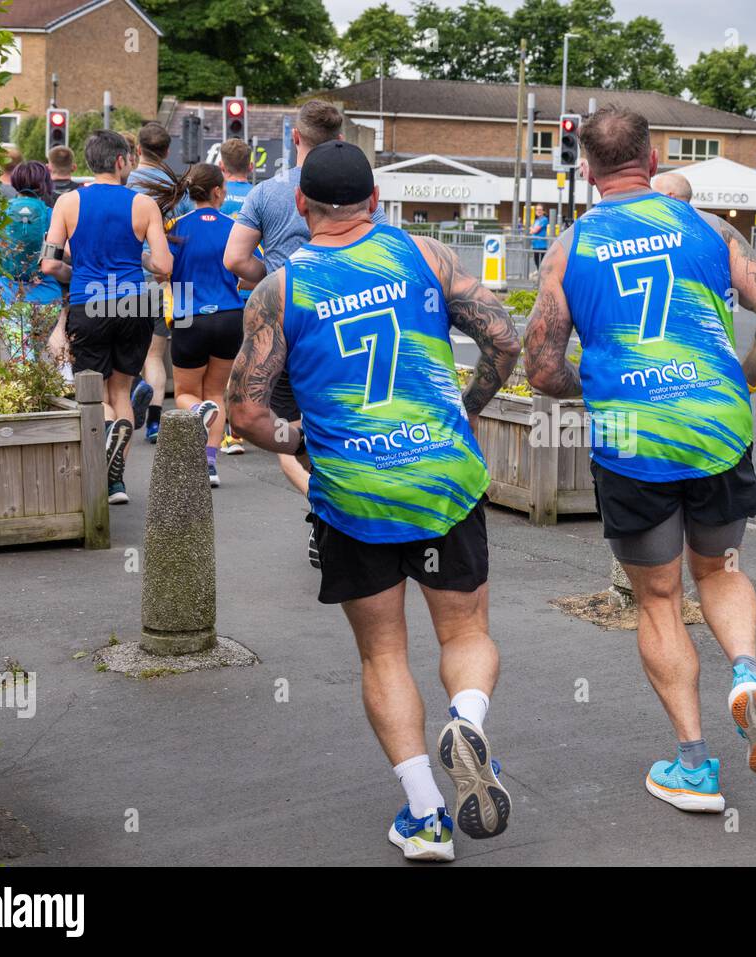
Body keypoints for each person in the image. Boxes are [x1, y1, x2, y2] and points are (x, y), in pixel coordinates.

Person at [227, 141, 521, 863]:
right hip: (440, 479)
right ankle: (469, 720)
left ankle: (425, 814)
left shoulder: (281, 290)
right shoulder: (425, 256)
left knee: (384, 650)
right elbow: (504, 340)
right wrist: (470, 407)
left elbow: (245, 413)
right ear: (377, 203)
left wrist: (299, 435)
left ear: (300, 208)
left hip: (353, 493)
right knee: (465, 633)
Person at [524, 105, 756, 815]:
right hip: (715, 424)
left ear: (587, 171)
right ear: (652, 160)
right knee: (722, 569)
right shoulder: (709, 230)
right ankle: (745, 672)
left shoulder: (568, 248)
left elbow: (541, 367)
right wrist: (743, 379)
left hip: (630, 431)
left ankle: (694, 764)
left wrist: (603, 387)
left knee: (657, 597)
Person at [223, 100, 386, 561]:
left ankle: (323, 511)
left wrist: (272, 277)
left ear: (295, 138)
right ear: (340, 139)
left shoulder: (266, 194)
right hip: (353, 325)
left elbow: (234, 259)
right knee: (350, 423)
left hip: (289, 328)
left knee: (290, 436)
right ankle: (349, 514)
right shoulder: (360, 190)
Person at [42, 130, 173, 505]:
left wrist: (78, 270)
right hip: (134, 303)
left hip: (89, 303)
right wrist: (143, 259)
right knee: (122, 391)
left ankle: (102, 471)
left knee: (96, 392)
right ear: (120, 162)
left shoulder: (67, 202)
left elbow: (50, 263)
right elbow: (163, 266)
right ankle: (117, 483)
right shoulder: (144, 204)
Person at [143, 163, 248, 488]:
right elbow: (246, 272)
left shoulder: (176, 227)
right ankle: (211, 463)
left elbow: (161, 271)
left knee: (188, 392)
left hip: (190, 315)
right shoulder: (234, 227)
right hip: (231, 315)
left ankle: (198, 409)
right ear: (218, 191)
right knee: (217, 391)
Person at [128, 121, 193, 442]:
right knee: (155, 355)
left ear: (137, 149)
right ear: (167, 151)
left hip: (128, 281)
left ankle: (134, 388)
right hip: (168, 284)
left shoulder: (126, 185)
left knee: (128, 355)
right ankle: (154, 422)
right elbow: (185, 232)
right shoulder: (177, 186)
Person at [216, 137, 256, 456]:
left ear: (221, 167)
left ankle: (233, 432)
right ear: (252, 166)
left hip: (221, 290)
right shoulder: (260, 195)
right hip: (255, 287)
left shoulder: (216, 197)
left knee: (231, 364)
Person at [0, 161, 63, 308]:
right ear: (45, 183)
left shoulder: (0, 213)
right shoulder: (51, 215)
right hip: (47, 298)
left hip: (6, 297)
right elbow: (62, 255)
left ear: (15, 181)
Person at [529, 204, 549, 274]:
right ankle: (540, 274)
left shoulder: (544, 219)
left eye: (540, 210)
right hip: (535, 244)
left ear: (543, 211)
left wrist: (532, 229)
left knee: (541, 262)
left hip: (541, 245)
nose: (538, 211)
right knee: (536, 260)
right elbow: (532, 230)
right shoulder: (536, 220)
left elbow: (535, 231)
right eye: (537, 210)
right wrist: (532, 229)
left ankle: (542, 276)